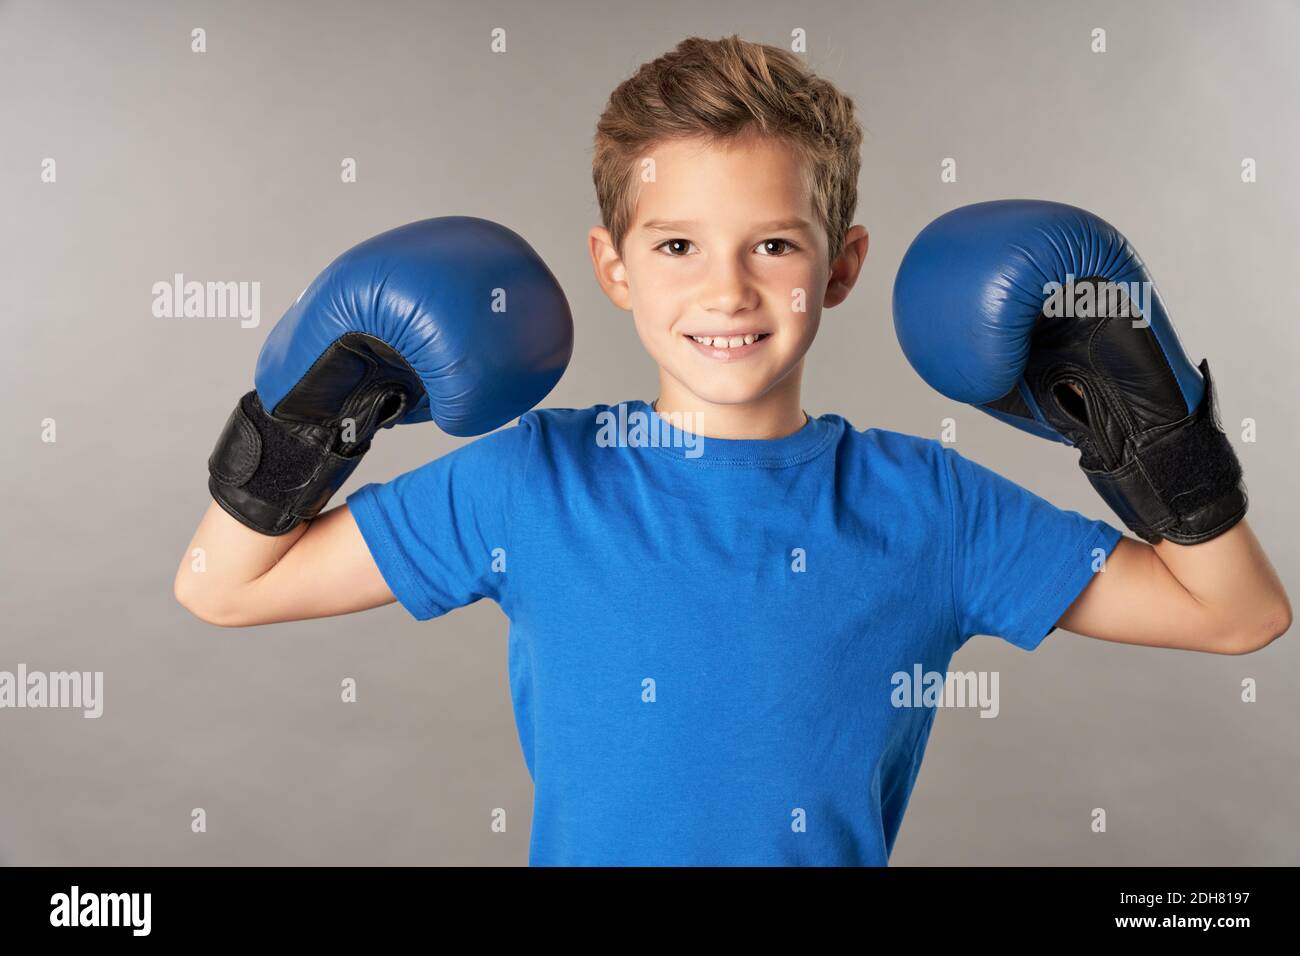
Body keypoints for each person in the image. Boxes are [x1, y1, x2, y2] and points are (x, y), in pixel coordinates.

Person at [175, 35, 1291, 866]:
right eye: (674, 244)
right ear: (613, 269)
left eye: (772, 243)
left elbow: (1236, 614)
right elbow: (221, 588)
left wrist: (1158, 430)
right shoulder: (529, 481)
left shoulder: (929, 504)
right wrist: (305, 419)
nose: (726, 289)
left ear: (842, 265)